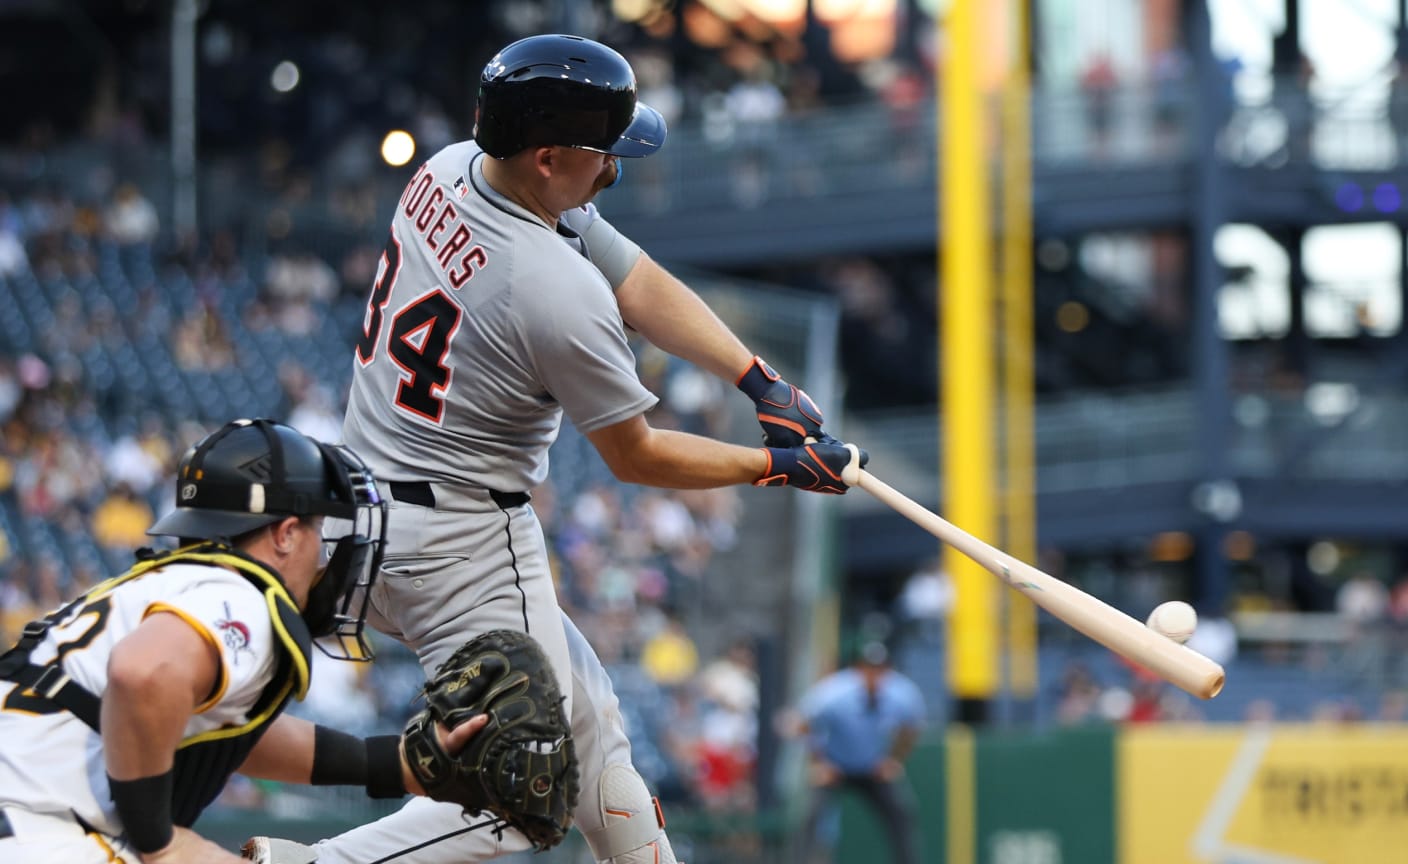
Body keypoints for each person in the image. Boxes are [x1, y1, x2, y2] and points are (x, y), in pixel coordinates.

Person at [254, 33, 867, 864]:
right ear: (546, 158)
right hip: (461, 545)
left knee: (590, 717)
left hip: (363, 503)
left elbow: (635, 273)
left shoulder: (448, 168)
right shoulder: (551, 287)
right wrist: (774, 465)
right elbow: (636, 455)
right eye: (601, 154)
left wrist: (758, 382)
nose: (614, 169)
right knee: (522, 791)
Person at [0, 419, 482, 863]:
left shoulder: (168, 585)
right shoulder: (242, 596)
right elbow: (142, 672)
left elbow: (209, 729)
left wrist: (390, 763)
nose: (323, 555)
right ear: (287, 534)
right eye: (318, 530)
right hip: (40, 834)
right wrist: (160, 843)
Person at [792, 641, 925, 864]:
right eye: (868, 668)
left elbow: (912, 727)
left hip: (872, 767)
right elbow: (803, 724)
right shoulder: (835, 692)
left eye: (880, 668)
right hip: (836, 765)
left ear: (888, 670)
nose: (874, 674)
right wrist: (820, 762)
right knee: (810, 815)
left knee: (902, 813)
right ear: (858, 669)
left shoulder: (901, 692)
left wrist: (893, 760)